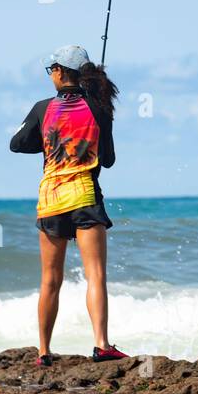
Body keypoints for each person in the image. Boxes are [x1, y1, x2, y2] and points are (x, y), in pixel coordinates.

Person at [10, 45, 127, 366]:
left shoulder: (41, 108)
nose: (51, 76)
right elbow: (110, 159)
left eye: (51, 70)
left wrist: (50, 140)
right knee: (96, 275)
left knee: (50, 279)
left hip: (51, 199)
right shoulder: (101, 109)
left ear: (61, 71)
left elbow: (16, 144)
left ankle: (44, 352)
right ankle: (102, 345)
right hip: (86, 198)